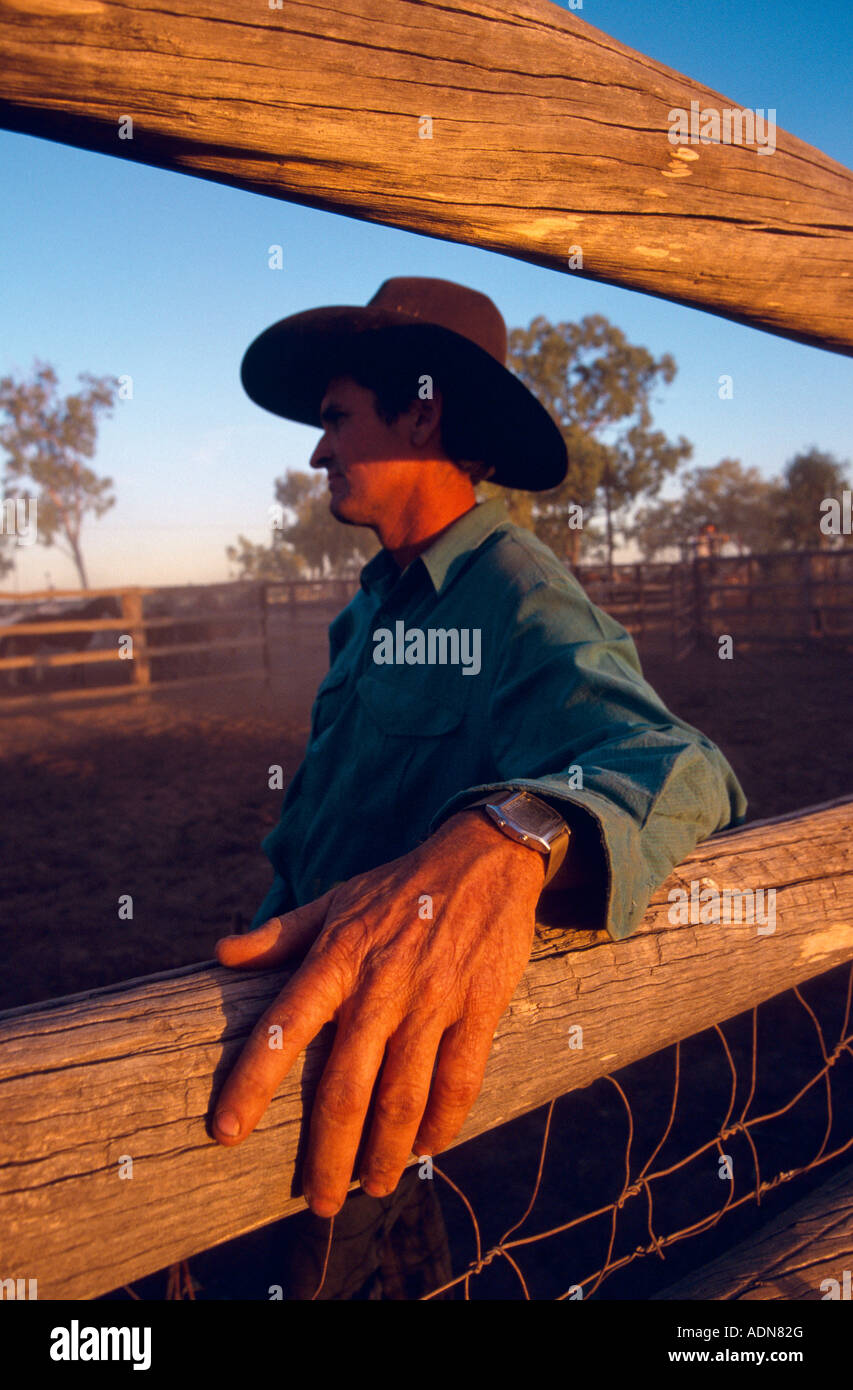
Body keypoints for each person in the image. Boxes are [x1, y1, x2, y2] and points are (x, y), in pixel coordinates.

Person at [211, 277, 747, 1297]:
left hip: (361, 1065)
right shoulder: (374, 599)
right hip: (295, 1010)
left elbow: (674, 760)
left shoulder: (515, 588)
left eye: (336, 419)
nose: (317, 449)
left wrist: (512, 829)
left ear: (421, 409)